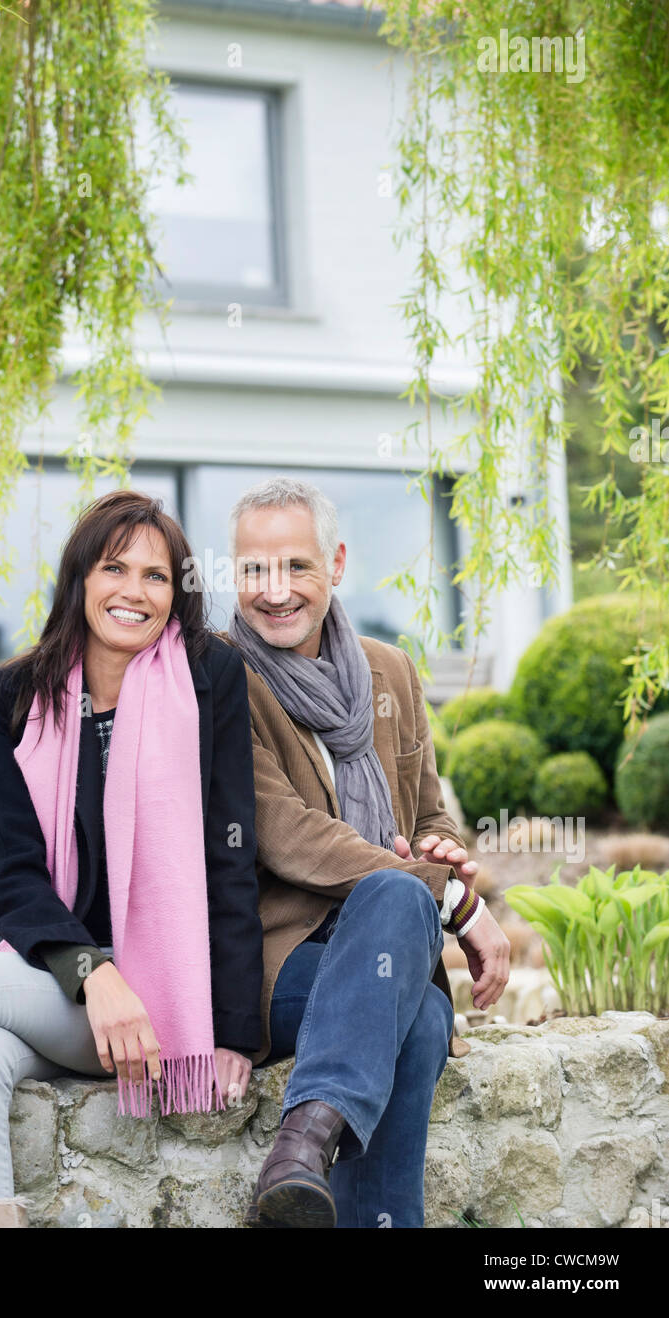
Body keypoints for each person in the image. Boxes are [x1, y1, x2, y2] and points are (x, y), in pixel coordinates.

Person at [0, 490, 263, 1229]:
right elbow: (9, 870)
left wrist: (230, 1030)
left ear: (177, 592)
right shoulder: (11, 695)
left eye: (156, 576)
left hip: (157, 996)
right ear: (78, 579)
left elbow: (228, 855)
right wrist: (92, 975)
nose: (133, 592)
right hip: (57, 979)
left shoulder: (207, 679)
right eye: (113, 568)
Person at [220, 476, 511, 1229]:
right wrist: (450, 897)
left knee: (396, 907)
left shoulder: (389, 672)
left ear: (337, 563)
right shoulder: (218, 678)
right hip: (281, 962)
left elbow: (427, 810)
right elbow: (285, 834)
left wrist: (441, 849)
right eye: (254, 569)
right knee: (410, 998)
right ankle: (318, 1164)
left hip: (385, 951)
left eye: (295, 566)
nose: (273, 590)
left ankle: (298, 1153)